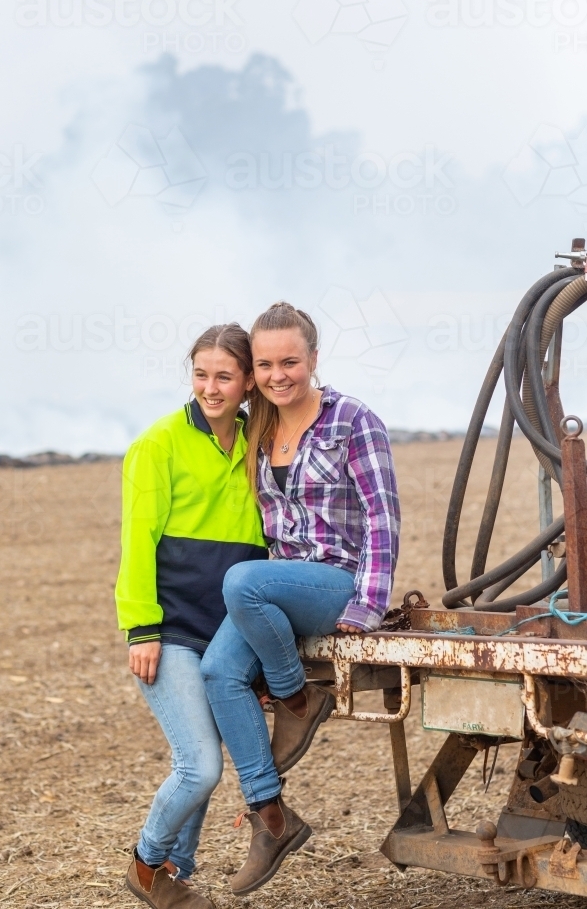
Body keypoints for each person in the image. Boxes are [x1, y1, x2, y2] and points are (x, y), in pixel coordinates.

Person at [201, 301, 400, 895]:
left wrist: (365, 610)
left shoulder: (352, 421)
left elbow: (382, 519)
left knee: (242, 580)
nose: (277, 375)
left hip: (334, 583)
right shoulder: (258, 424)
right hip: (278, 584)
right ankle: (272, 820)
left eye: (290, 361)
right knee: (218, 673)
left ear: (313, 359)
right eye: (264, 364)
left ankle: (294, 699)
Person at [115, 324, 268, 909]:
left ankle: (176, 869)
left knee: (205, 755)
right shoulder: (158, 445)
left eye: (224, 376)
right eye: (201, 374)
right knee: (200, 766)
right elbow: (138, 540)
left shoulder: (261, 440)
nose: (210, 387)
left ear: (248, 381)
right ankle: (147, 864)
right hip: (171, 631)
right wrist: (142, 629)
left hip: (229, 633)